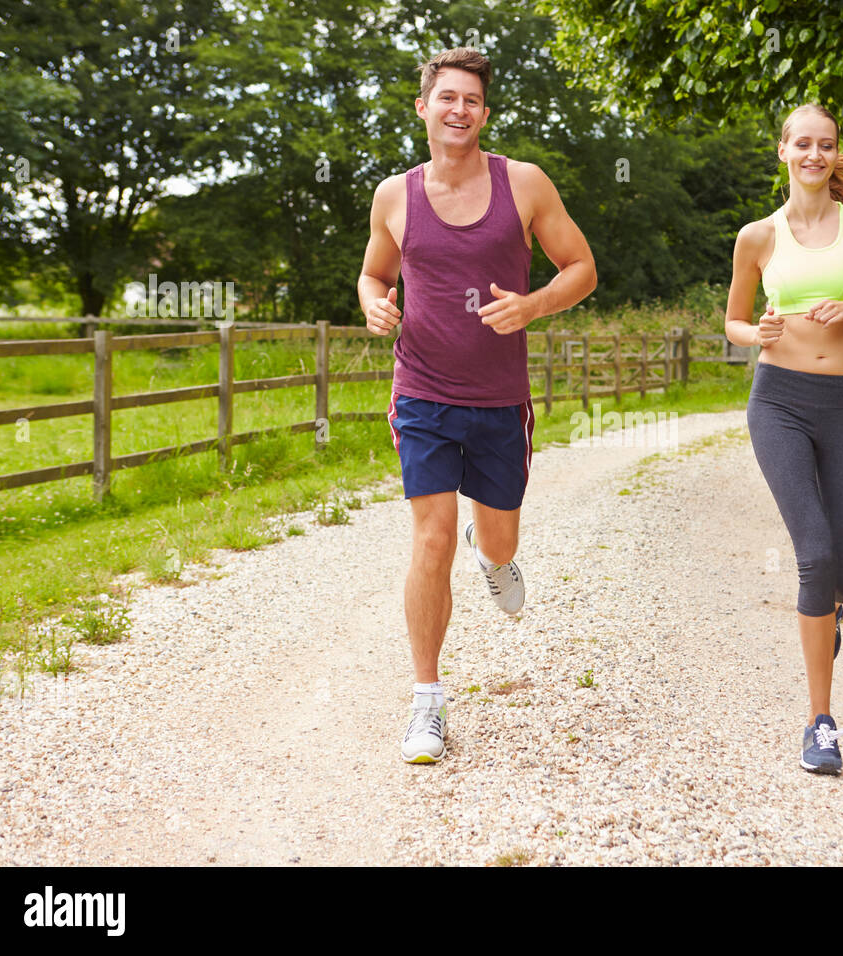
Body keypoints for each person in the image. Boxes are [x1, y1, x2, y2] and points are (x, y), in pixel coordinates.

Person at [358, 48, 596, 764]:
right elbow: (373, 273)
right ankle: (426, 703)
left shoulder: (523, 184)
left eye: (471, 100)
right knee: (429, 537)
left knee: (498, 542)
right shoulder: (393, 195)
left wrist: (534, 305)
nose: (458, 109)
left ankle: (490, 553)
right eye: (446, 97)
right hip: (423, 390)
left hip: (499, 402)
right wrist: (375, 305)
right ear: (423, 108)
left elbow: (581, 268)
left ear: (484, 114)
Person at [725, 103, 843, 774]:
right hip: (781, 404)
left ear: (834, 154)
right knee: (816, 555)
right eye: (803, 143)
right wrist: (756, 335)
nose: (815, 155)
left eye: (826, 145)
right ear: (783, 151)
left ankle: (830, 616)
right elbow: (735, 323)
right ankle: (820, 723)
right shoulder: (758, 237)